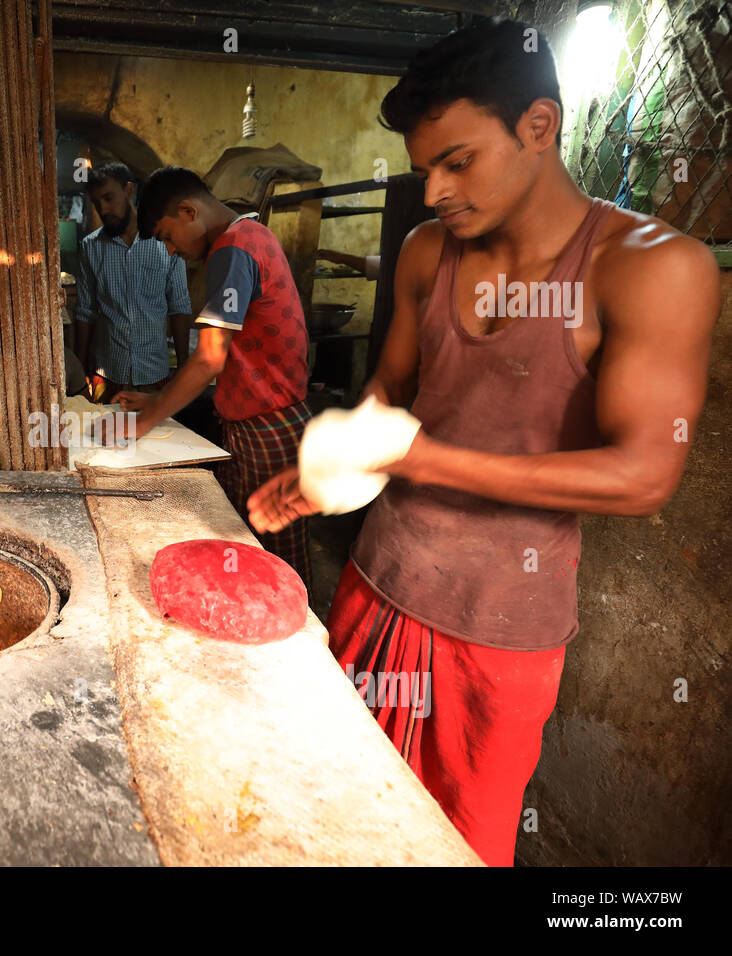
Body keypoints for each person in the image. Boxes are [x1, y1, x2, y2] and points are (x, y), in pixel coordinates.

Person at [247, 18, 719, 866]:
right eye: (425, 167)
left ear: (538, 127)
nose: (432, 192)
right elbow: (391, 392)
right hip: (379, 579)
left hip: (500, 628)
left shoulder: (651, 267)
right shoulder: (429, 254)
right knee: (336, 806)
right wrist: (332, 471)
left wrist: (419, 459)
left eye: (457, 161)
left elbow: (645, 473)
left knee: (458, 841)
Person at [120, 166, 312, 584]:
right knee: (252, 543)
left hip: (266, 430)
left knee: (271, 559)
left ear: (189, 211)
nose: (170, 251)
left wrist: (147, 421)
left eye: (168, 236)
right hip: (272, 421)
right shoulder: (254, 234)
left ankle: (290, 641)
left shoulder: (231, 250)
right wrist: (157, 401)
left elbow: (210, 358)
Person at [73, 162, 192, 404]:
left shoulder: (164, 241)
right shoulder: (90, 247)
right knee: (103, 436)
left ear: (129, 191)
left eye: (109, 198)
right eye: (97, 203)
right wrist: (80, 368)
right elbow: (85, 311)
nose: (103, 209)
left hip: (153, 374)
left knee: (156, 438)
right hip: (105, 376)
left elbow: (179, 305)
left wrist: (183, 367)